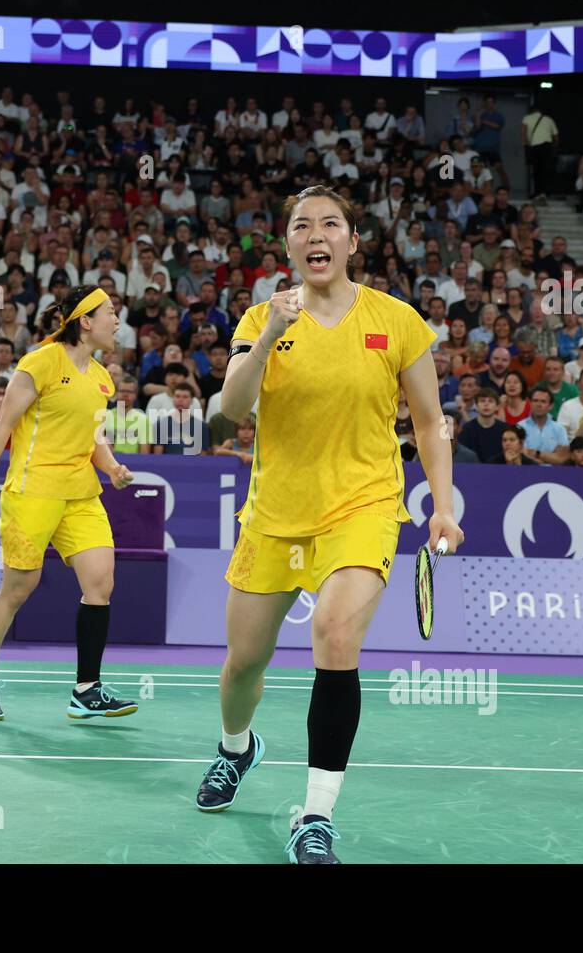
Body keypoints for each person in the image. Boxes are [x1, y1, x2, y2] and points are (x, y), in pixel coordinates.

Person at [192, 185, 464, 864]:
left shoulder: (396, 320)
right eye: (302, 226)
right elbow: (229, 409)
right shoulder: (262, 316)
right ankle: (238, 747)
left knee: (335, 631)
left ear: (350, 241)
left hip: (364, 505)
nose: (317, 234)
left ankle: (314, 815)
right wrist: (268, 343)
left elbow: (430, 422)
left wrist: (444, 504)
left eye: (330, 224)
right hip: (276, 516)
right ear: (287, 245)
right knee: (242, 665)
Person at [0, 286, 138, 723]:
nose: (117, 321)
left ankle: (87, 689)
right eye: (111, 313)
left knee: (101, 584)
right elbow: (4, 425)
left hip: (81, 493)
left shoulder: (102, 377)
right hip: (33, 490)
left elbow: (93, 435)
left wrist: (111, 466)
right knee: (18, 589)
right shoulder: (39, 362)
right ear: (85, 322)